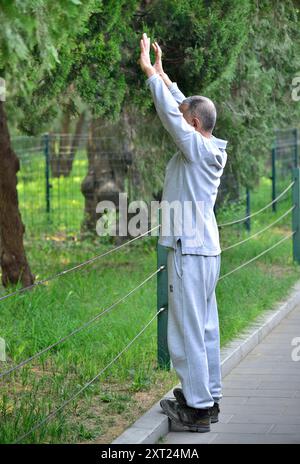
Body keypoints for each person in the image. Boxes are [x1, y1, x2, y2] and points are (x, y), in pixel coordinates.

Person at [139, 33, 228, 433]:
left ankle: (196, 410)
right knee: (206, 326)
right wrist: (165, 75)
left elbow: (174, 117)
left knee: (187, 328)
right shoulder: (210, 147)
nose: (181, 117)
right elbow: (185, 108)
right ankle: (208, 395)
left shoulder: (194, 147)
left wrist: (150, 77)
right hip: (206, 251)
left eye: (185, 116)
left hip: (188, 252)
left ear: (194, 125)